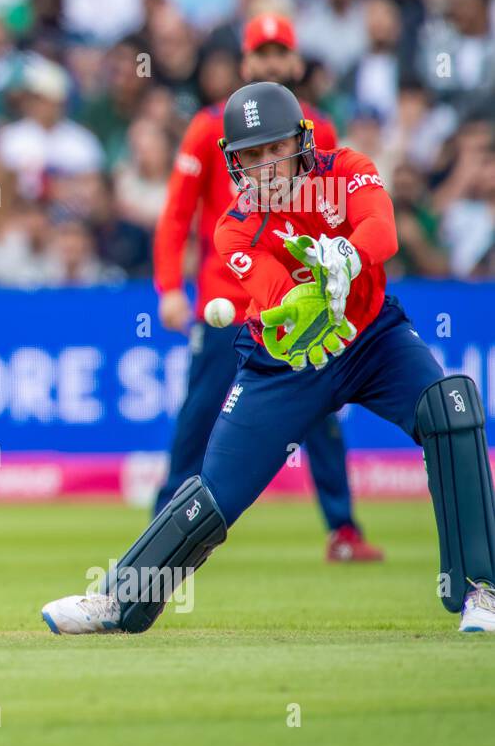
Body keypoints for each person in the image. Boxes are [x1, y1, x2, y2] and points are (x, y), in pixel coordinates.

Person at [43, 81, 495, 635]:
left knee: (450, 410)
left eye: (274, 150)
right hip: (286, 362)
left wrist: (346, 255)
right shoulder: (235, 226)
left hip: (374, 339)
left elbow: (383, 231)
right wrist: (310, 298)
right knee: (213, 493)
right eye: (249, 157)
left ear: (301, 143)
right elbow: (276, 291)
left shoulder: (348, 168)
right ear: (233, 164)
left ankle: (481, 589)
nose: (264, 168)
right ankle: (118, 600)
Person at [152, 12, 381, 562]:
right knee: (200, 416)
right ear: (246, 63)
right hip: (227, 298)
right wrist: (167, 287)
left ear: (296, 62)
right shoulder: (210, 129)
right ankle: (161, 535)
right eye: (263, 53)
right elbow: (177, 215)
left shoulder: (319, 131)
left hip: (300, 301)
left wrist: (334, 283)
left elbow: (334, 219)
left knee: (322, 414)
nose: (273, 62)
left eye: (282, 52)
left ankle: (342, 531)